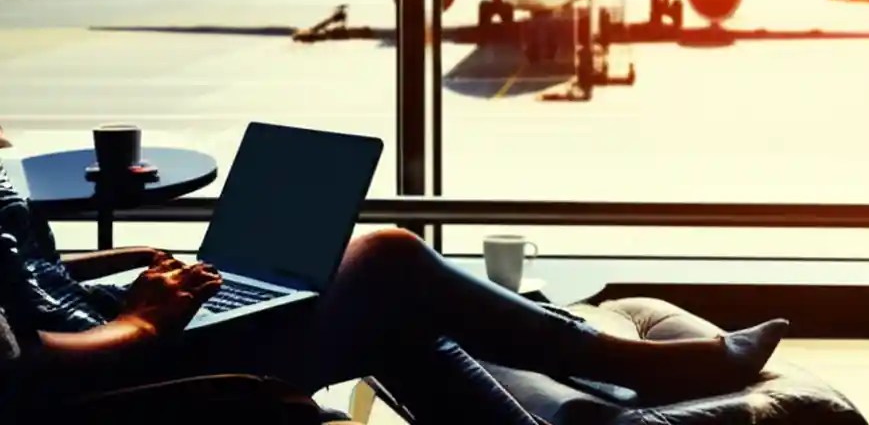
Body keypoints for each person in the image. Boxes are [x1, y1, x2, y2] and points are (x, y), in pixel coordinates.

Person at [0, 125, 788, 422]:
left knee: (393, 299)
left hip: (107, 320)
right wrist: (143, 321)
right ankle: (623, 364)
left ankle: (619, 369)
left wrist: (129, 268)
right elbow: (18, 368)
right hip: (117, 376)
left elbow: (22, 268)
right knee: (390, 258)